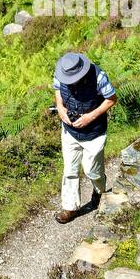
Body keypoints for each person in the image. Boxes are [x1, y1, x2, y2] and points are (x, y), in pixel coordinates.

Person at [52, 52, 117, 224]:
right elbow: (58, 89)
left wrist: (90, 116)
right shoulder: (60, 73)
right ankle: (70, 208)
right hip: (69, 132)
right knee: (70, 170)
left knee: (92, 171)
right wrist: (60, 108)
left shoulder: (99, 77)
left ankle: (99, 190)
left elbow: (111, 99)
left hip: (94, 133)